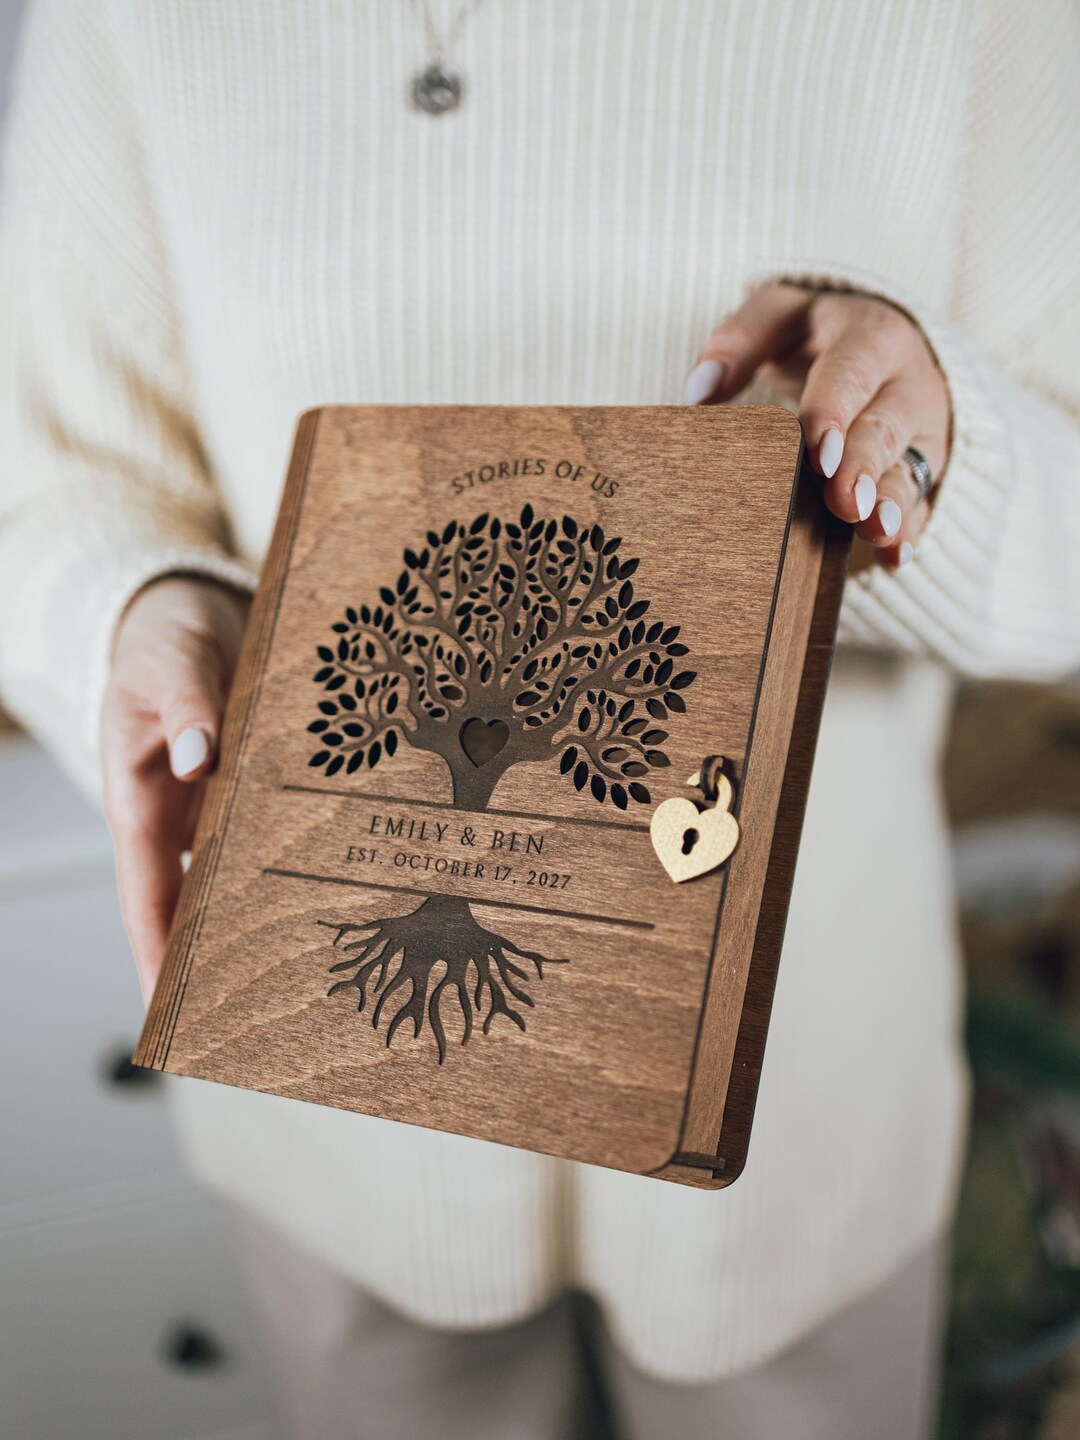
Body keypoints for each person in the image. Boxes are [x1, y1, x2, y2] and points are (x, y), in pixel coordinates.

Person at [0, 1, 1077, 1436]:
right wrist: (136, 613)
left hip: (791, 1117)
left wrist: (933, 455)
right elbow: (50, 472)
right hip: (336, 1099)